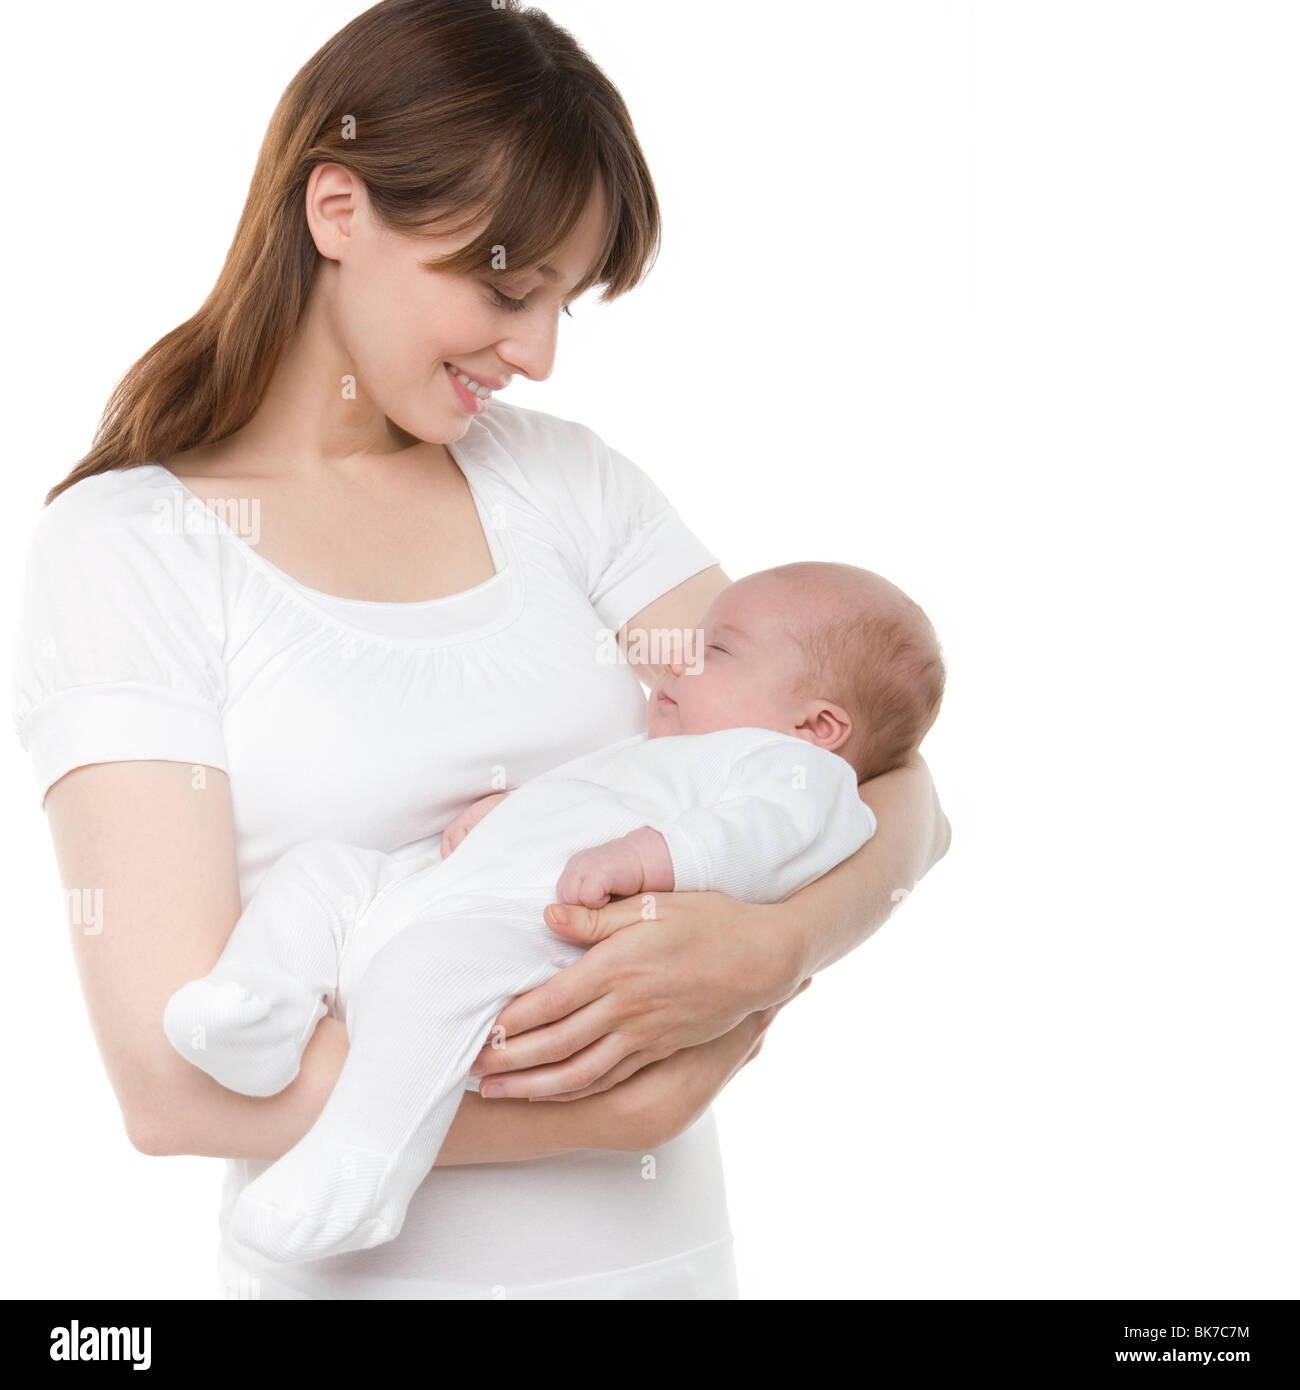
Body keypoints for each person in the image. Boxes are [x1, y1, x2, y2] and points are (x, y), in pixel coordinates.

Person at [12, 0, 949, 1299]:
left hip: (664, 1271)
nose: (541, 354)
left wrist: (776, 946)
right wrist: (624, 1106)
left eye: (565, 301)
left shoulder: (564, 488)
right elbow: (172, 1088)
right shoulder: (132, 549)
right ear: (338, 210)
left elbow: (882, 769)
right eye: (509, 290)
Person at [161, 562, 945, 1263]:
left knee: (428, 973)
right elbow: (575, 801)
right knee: (322, 875)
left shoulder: (792, 770)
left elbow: (770, 835)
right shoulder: (654, 755)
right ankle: (262, 1008)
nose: (678, 655)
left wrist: (656, 856)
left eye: (718, 650)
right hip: (437, 892)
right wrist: (507, 814)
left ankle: (358, 1169)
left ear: (817, 727)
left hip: (530, 939)